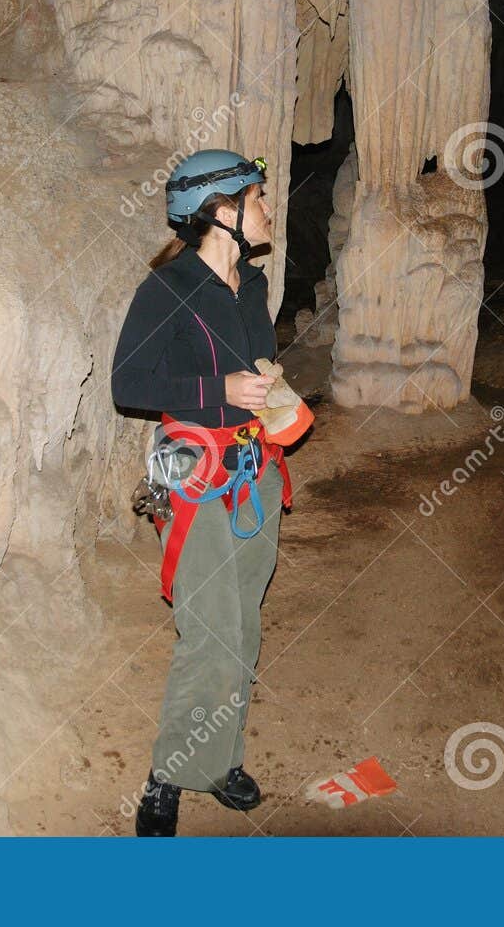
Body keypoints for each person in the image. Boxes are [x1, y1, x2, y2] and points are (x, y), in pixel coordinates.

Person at [110, 149, 290, 837]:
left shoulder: (250, 287)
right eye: (259, 197)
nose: (268, 208)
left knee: (242, 621)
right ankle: (167, 775)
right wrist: (216, 391)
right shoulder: (166, 290)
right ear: (221, 211)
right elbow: (130, 385)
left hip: (255, 469)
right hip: (190, 474)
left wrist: (276, 395)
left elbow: (259, 369)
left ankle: (220, 759)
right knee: (207, 626)